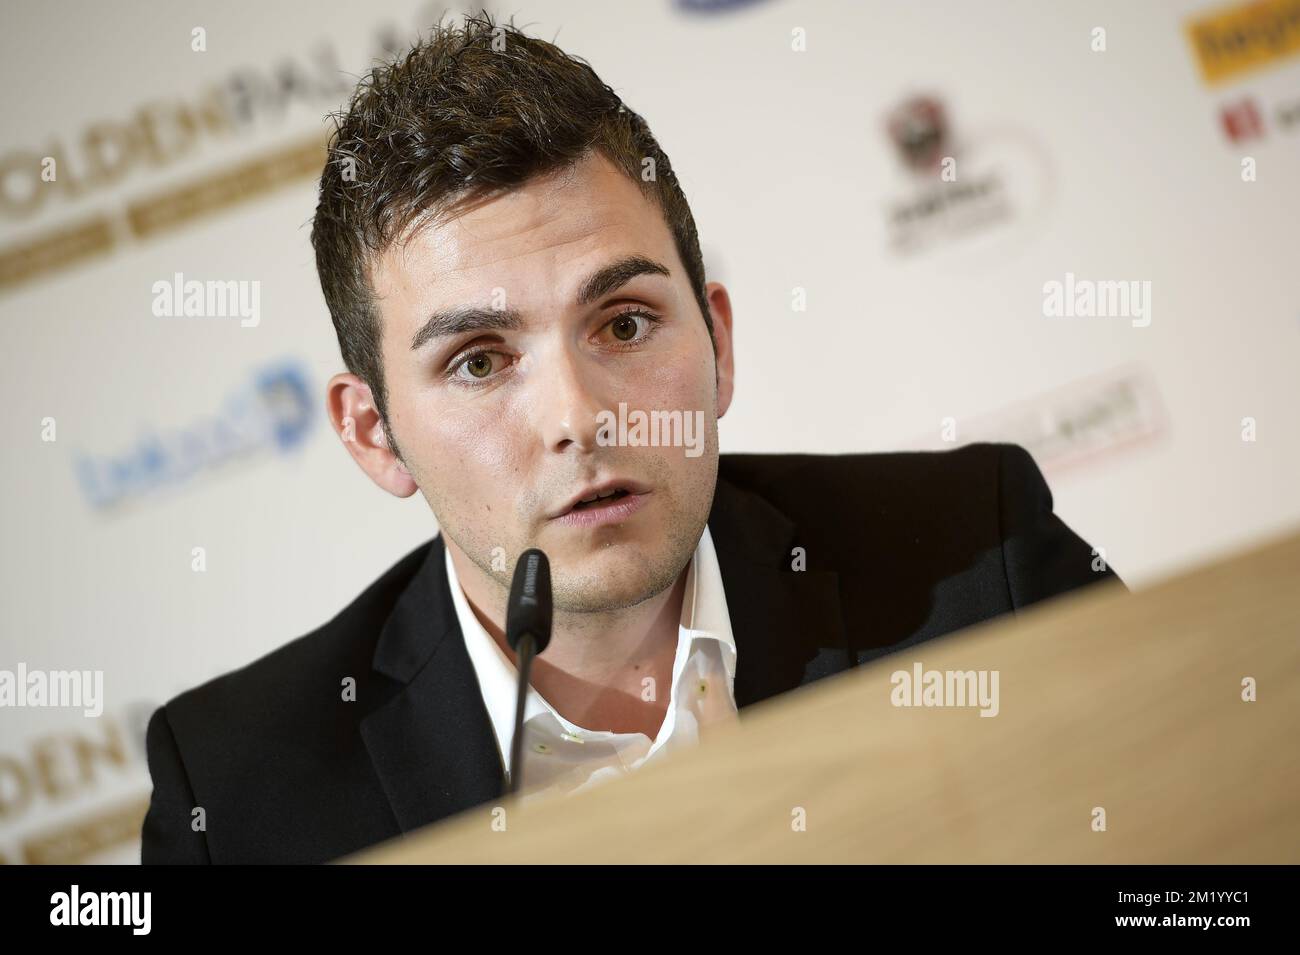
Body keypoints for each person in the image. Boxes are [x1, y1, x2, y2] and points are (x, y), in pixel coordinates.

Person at [142, 11, 1123, 864]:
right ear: (374, 434)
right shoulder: (238, 795)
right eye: (478, 361)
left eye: (622, 322)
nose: (577, 417)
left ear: (719, 341)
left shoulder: (977, 562)